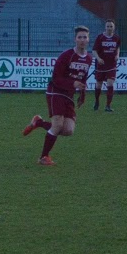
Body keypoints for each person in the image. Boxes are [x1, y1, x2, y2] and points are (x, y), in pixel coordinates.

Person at [23, 26, 94, 164]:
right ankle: (43, 157)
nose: (82, 40)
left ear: (88, 39)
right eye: (79, 37)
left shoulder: (89, 59)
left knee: (68, 130)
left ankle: (39, 122)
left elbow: (83, 78)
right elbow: (56, 78)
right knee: (57, 125)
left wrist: (82, 94)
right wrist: (73, 83)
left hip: (69, 95)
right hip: (55, 91)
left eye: (85, 37)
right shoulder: (66, 56)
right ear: (75, 39)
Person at [91, 20, 122, 112]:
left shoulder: (116, 38)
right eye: (108, 26)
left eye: (111, 26)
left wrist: (117, 55)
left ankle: (108, 106)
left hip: (111, 64)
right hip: (101, 65)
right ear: (105, 27)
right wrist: (98, 58)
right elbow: (94, 51)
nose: (109, 28)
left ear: (114, 28)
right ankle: (97, 101)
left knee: (110, 83)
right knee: (99, 84)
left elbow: (118, 48)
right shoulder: (100, 37)